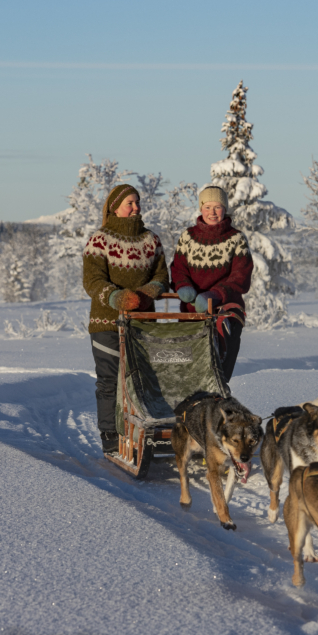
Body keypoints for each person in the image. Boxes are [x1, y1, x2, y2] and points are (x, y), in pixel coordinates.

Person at [83, 184, 169, 454]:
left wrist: (147, 294)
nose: (136, 207)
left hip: (143, 324)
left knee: (143, 380)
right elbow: (92, 281)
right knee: (110, 381)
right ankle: (110, 435)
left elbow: (161, 277)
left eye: (137, 202)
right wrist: (116, 297)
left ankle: (142, 432)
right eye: (130, 203)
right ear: (114, 207)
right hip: (106, 323)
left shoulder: (151, 240)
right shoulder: (99, 240)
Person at [170, 185, 253, 383]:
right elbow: (178, 268)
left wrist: (215, 294)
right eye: (207, 207)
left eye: (217, 207)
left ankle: (218, 396)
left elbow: (241, 276)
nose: (212, 212)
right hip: (192, 313)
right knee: (191, 370)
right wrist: (183, 286)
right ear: (201, 208)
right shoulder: (188, 237)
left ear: (225, 208)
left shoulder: (236, 238)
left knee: (218, 371)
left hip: (225, 311)